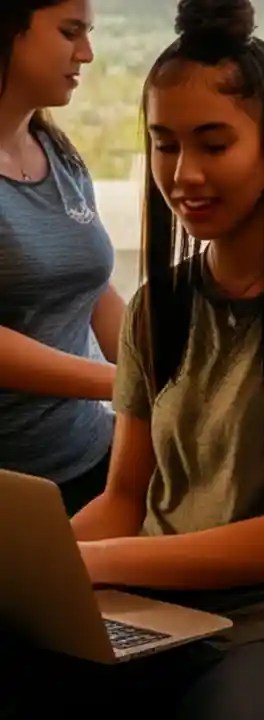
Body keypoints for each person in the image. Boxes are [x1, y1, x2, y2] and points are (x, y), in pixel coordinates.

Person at [7, 0, 264, 717]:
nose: (183, 173)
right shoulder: (160, 307)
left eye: (213, 145)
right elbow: (125, 498)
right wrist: (43, 574)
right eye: (165, 144)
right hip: (153, 606)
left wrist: (91, 564)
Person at [0, 0, 124, 516]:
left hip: (86, 458)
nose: (87, 53)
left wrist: (174, 373)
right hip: (12, 486)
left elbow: (93, 290)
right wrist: (127, 384)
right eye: (70, 32)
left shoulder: (57, 151)